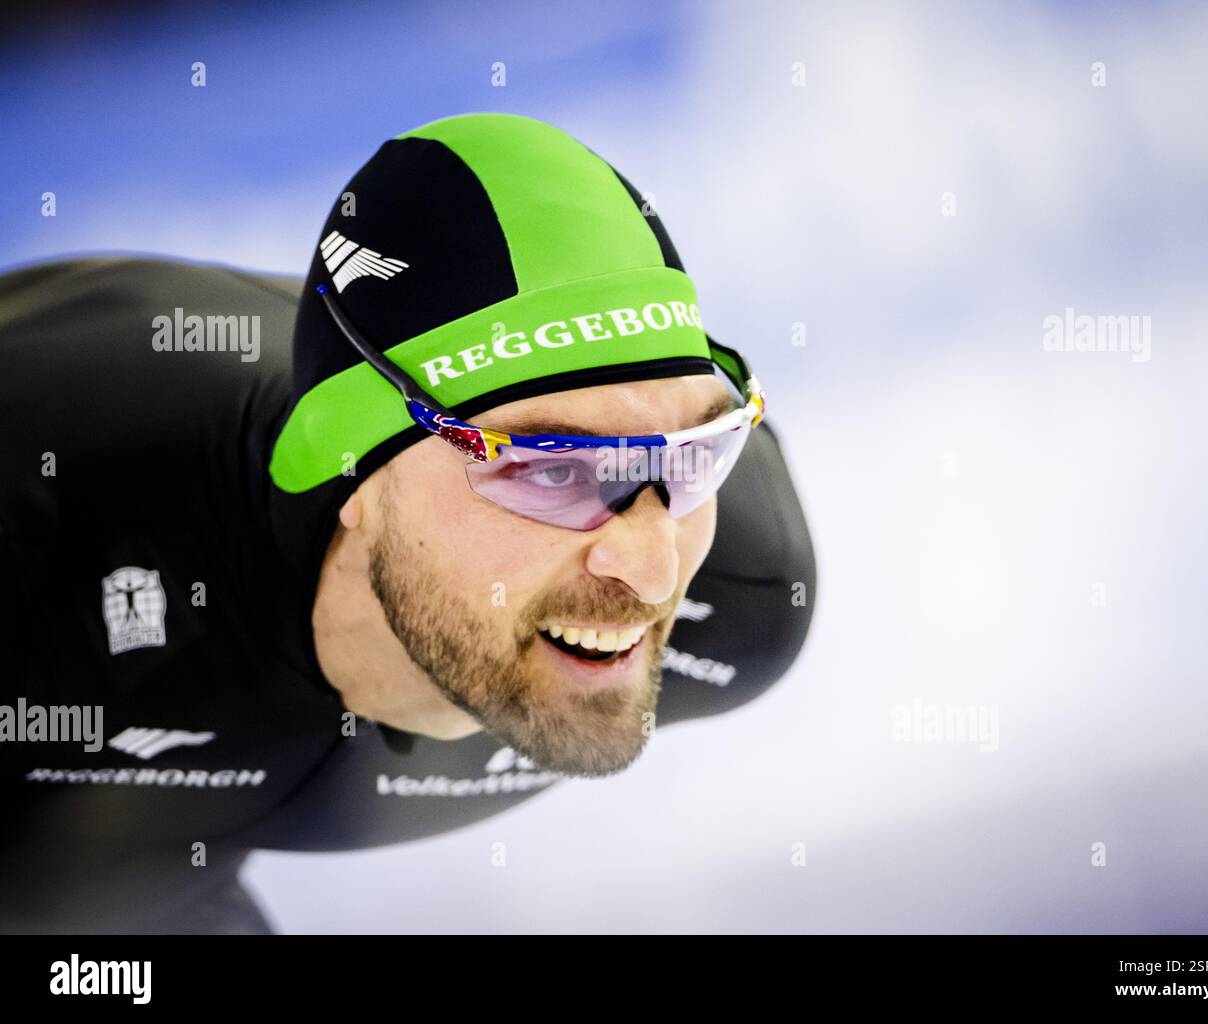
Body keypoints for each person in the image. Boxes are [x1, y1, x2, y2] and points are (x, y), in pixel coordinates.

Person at [0, 112, 816, 933]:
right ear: (354, 467)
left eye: (694, 452)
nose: (654, 571)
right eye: (555, 470)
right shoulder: (49, 501)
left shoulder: (744, 599)